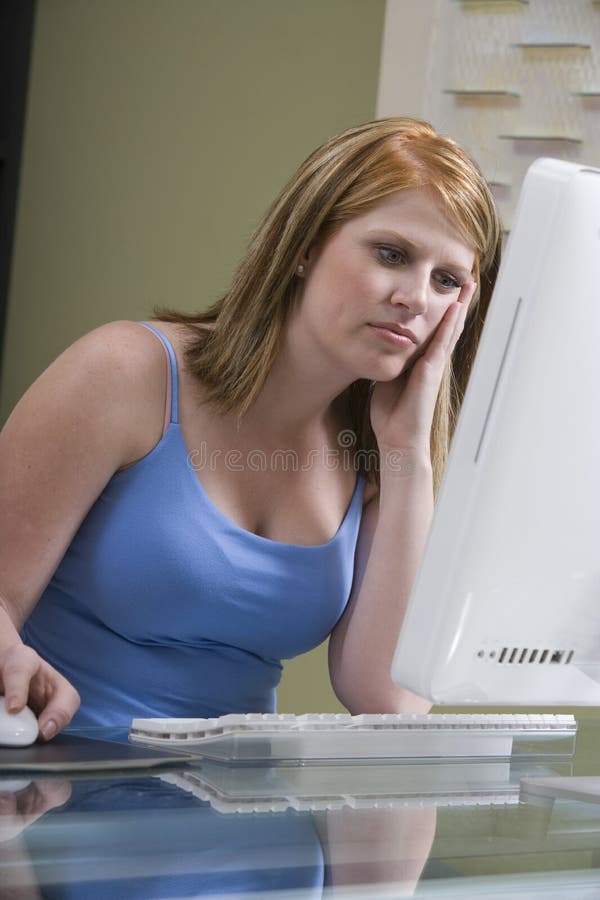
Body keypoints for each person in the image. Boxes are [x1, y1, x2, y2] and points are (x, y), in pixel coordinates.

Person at [0, 117, 502, 738]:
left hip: (242, 813)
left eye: (447, 280)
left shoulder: (377, 457)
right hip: (60, 793)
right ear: (305, 246)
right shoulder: (126, 374)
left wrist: (407, 454)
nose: (416, 297)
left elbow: (389, 699)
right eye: (392, 254)